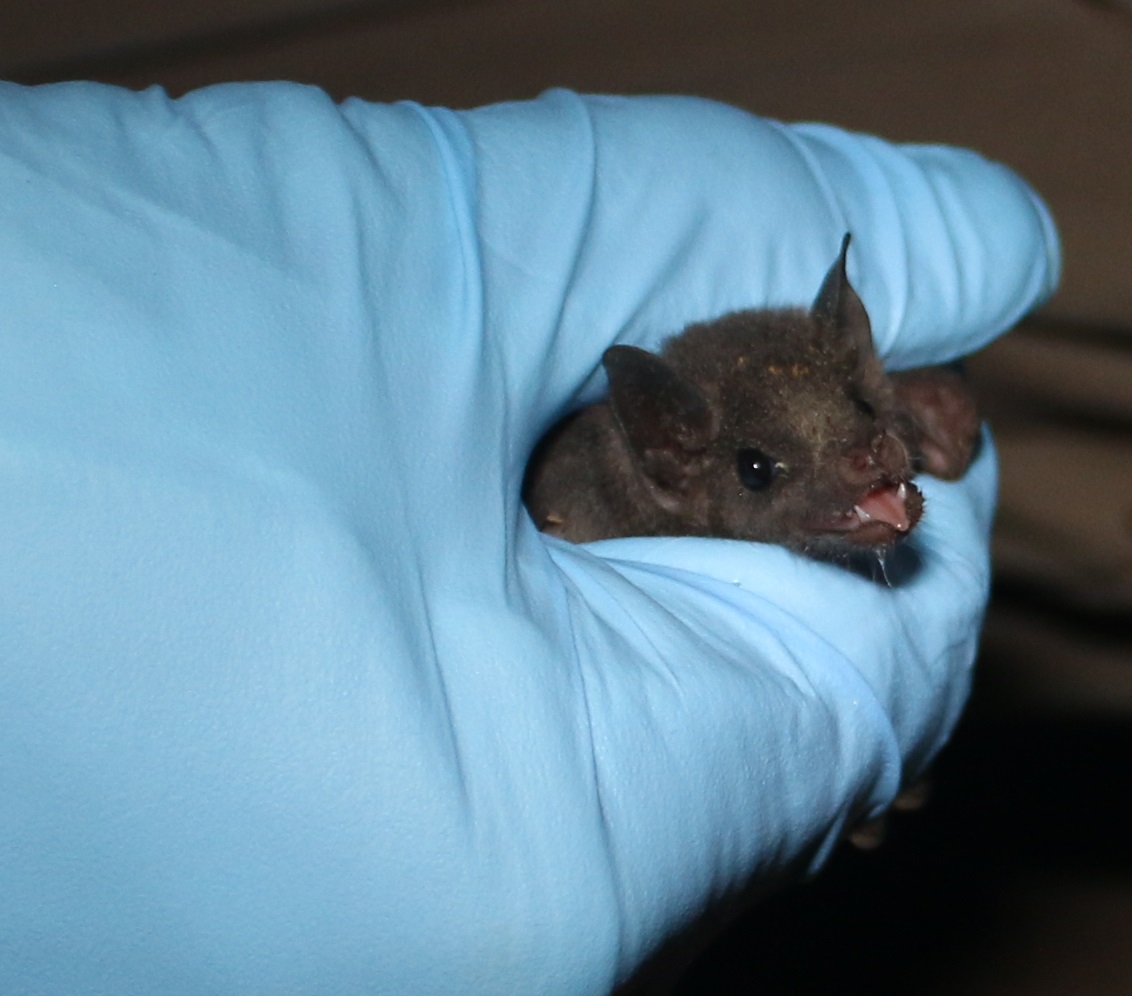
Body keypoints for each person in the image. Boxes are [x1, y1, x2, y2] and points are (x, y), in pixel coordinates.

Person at [0, 82, 1059, 993]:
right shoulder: (587, 486)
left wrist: (895, 422)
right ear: (670, 454)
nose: (872, 464)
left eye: (867, 423)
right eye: (756, 468)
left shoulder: (866, 425)